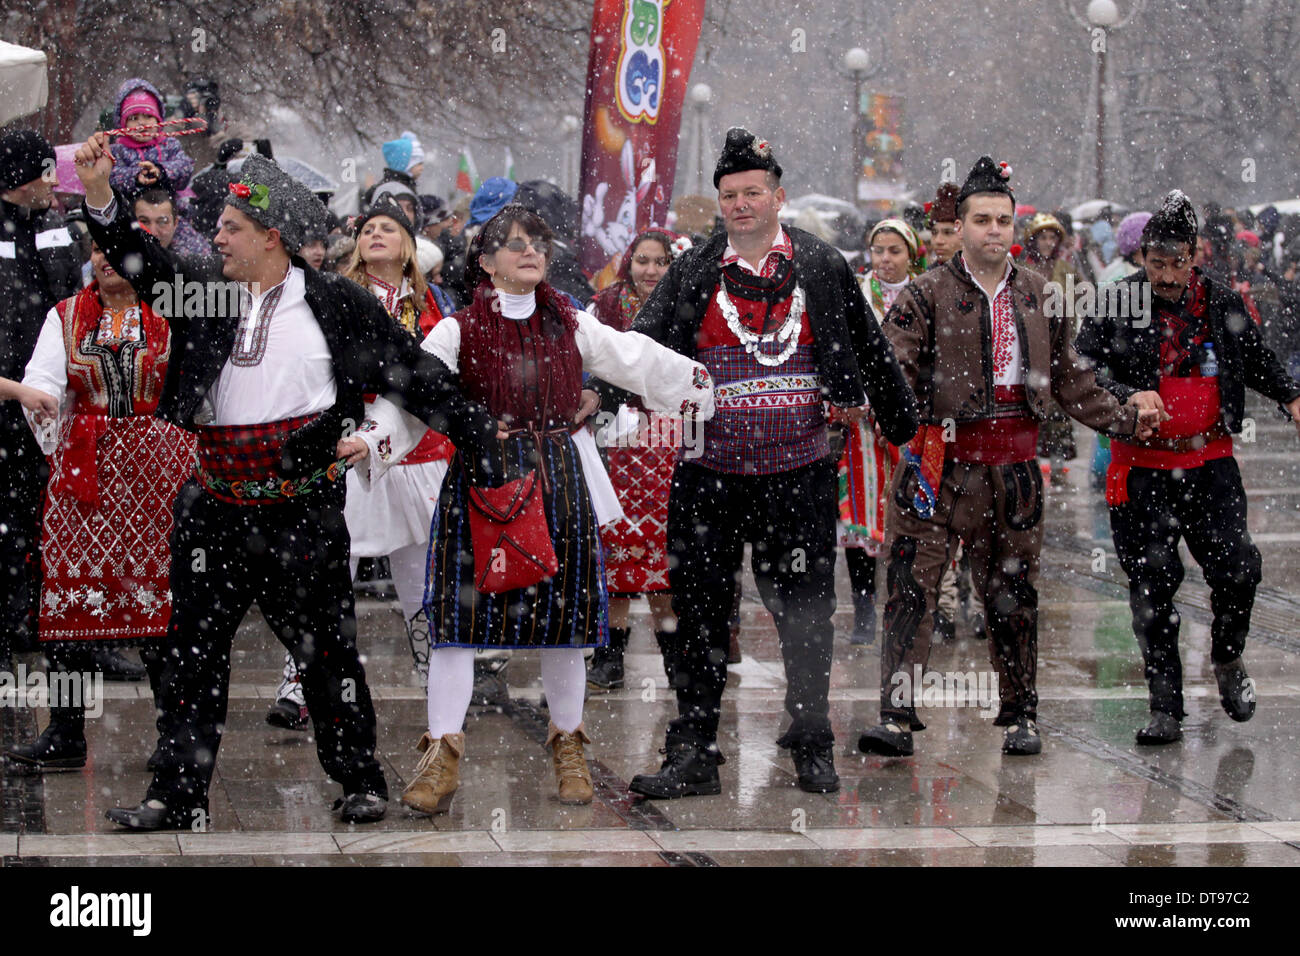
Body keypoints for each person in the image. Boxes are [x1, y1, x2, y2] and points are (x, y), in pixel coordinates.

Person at [73, 134, 498, 830]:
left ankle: (360, 779)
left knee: (326, 653)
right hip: (215, 507)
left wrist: (484, 438)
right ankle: (175, 796)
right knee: (189, 656)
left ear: (271, 237)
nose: (217, 239)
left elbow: (412, 373)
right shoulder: (206, 297)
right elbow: (140, 263)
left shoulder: (334, 302)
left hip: (299, 511)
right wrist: (97, 192)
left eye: (230, 229)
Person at [356, 204, 714, 814]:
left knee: (566, 627)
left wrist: (705, 389)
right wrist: (369, 440)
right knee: (458, 629)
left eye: (538, 243)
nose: (530, 252)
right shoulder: (457, 329)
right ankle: (441, 752)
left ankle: (568, 745)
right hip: (482, 481)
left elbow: (635, 359)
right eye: (514, 244)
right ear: (488, 261)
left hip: (558, 482)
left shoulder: (571, 322)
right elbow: (412, 399)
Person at [617, 128, 918, 798]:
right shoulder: (694, 270)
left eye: (753, 192)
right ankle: (694, 752)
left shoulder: (820, 264)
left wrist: (903, 426)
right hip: (708, 477)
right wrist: (596, 388)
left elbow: (869, 345)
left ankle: (813, 744)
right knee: (697, 619)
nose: (741, 204)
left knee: (806, 614)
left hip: (799, 475)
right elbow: (641, 342)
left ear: (777, 196)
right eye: (729, 195)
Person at [856, 156, 1160, 760]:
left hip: (1015, 468)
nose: (994, 230)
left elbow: (1074, 381)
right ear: (961, 227)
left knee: (1014, 593)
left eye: (1003, 219)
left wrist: (1126, 416)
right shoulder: (925, 292)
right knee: (911, 588)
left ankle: (1021, 713)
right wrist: (898, 420)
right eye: (982, 220)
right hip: (938, 463)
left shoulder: (1044, 295)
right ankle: (895, 715)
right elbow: (890, 371)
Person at [1076, 190, 1300, 745]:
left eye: (1179, 262)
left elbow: (1259, 360)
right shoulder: (1114, 304)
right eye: (1157, 263)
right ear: (1142, 257)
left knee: (1239, 567)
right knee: (1152, 586)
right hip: (1142, 469)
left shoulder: (1222, 300)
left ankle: (1228, 657)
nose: (1169, 275)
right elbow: (1081, 370)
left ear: (1194, 254)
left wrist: (1291, 396)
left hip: (1210, 463)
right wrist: (1132, 393)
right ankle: (1165, 707)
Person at [3, 241, 195, 772]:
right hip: (85, 470)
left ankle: (174, 734)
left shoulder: (172, 313)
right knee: (69, 600)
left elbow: (200, 389)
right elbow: (42, 383)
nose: (105, 260)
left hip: (160, 471)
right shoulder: (65, 316)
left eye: (115, 250)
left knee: (162, 603)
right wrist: (50, 417)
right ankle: (65, 731)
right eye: (96, 251)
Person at [264, 198, 453, 729]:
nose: (375, 235)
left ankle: (437, 682)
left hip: (419, 450)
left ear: (408, 244)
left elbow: (442, 371)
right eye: (368, 228)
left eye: (388, 228)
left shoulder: (434, 302)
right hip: (347, 442)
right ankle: (297, 686)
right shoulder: (335, 296)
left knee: (420, 577)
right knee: (327, 571)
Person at [586, 228, 685, 690]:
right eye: (643, 261)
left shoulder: (686, 304)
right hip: (615, 443)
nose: (651, 270)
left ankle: (675, 654)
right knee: (616, 542)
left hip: (671, 442)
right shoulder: (604, 307)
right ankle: (611, 653)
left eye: (660, 262)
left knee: (666, 548)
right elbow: (590, 367)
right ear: (629, 263)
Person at [0, 130, 83, 668]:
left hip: (55, 402)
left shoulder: (55, 226)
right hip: (9, 399)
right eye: (44, 173)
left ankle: (58, 628)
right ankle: (7, 630)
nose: (54, 184)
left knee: (54, 517)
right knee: (6, 520)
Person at [838, 218, 921, 645]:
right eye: (878, 250)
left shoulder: (922, 294)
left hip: (912, 425)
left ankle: (906, 605)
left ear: (911, 255)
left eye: (894, 251)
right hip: (864, 426)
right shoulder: (855, 291)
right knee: (863, 518)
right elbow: (843, 351)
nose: (885, 259)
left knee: (909, 515)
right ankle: (864, 608)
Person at [108, 79, 196, 203]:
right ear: (124, 124)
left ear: (158, 120)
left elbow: (185, 167)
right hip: (131, 210)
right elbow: (113, 177)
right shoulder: (117, 150)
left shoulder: (168, 144)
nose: (142, 123)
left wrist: (161, 171)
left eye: (148, 116)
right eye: (134, 118)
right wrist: (136, 175)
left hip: (168, 208)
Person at [132, 185, 213, 259]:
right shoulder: (121, 256)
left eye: (162, 222)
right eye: (144, 221)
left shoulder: (186, 257)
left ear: (175, 224)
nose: (152, 232)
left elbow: (179, 274)